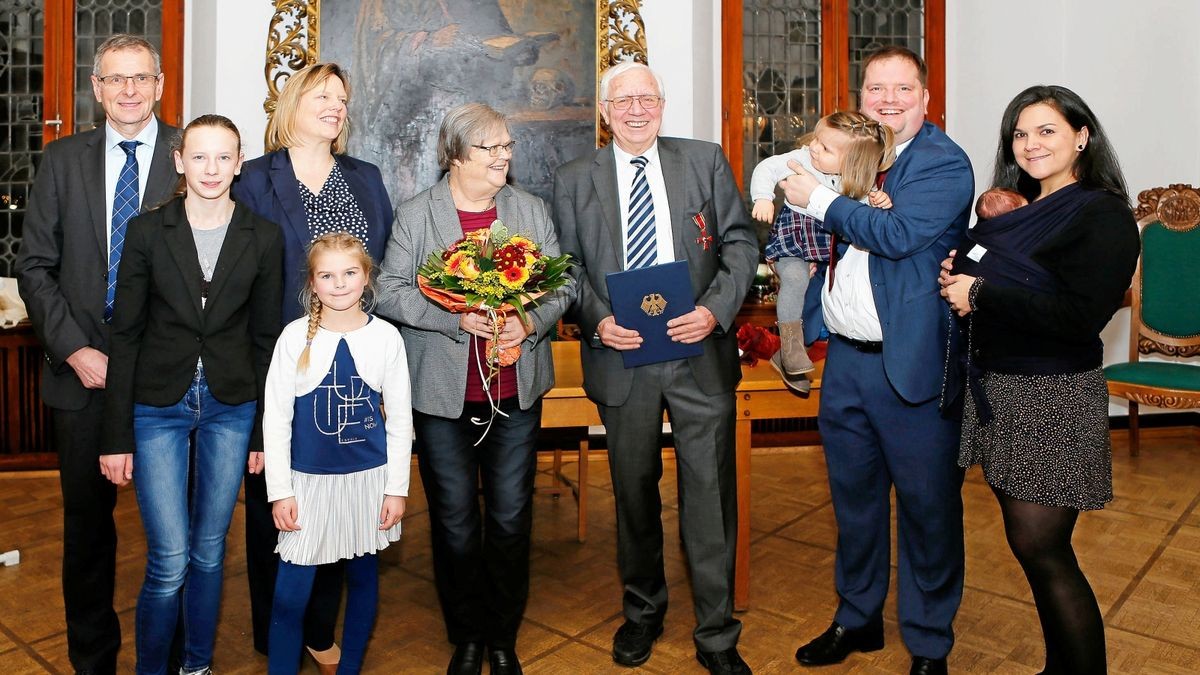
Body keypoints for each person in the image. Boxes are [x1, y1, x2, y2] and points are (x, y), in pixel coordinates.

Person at [552, 62, 758, 675]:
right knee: (634, 495)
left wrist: (714, 312)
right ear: (605, 112)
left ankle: (718, 634)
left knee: (711, 496)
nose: (636, 109)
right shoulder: (572, 178)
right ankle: (643, 611)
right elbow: (564, 266)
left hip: (699, 356)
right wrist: (595, 320)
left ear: (662, 105)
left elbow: (742, 243)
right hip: (623, 362)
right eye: (623, 100)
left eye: (647, 98)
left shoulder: (704, 160)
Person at [779, 46, 974, 675]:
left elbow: (894, 236)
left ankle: (928, 644)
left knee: (927, 510)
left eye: (902, 89)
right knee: (855, 505)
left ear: (925, 97)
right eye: (874, 89)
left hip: (911, 366)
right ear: (860, 98)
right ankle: (857, 619)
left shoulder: (942, 164)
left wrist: (818, 200)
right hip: (848, 366)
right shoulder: (848, 153)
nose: (888, 100)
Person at [939, 85, 1138, 674]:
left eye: (1047, 130)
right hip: (996, 390)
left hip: (1050, 396)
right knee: (1030, 547)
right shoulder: (1009, 208)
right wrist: (960, 274)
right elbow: (992, 282)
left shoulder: (1101, 214)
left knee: (1044, 549)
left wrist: (981, 292)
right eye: (1020, 134)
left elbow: (1078, 318)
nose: (1030, 144)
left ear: (1082, 136)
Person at [375, 102, 574, 675]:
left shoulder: (529, 211)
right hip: (442, 397)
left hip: (515, 392)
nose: (505, 157)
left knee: (511, 520)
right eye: (493, 148)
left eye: (508, 147)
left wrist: (528, 321)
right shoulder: (418, 215)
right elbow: (388, 291)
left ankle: (503, 638)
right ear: (457, 154)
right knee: (456, 522)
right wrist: (453, 317)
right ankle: (466, 635)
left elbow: (562, 286)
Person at [15, 33, 179, 675]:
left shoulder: (191, 156)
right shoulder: (61, 160)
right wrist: (77, 349)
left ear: (161, 85)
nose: (129, 90)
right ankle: (93, 661)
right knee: (88, 532)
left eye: (141, 78)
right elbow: (34, 267)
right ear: (97, 87)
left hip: (168, 380)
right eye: (116, 79)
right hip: (81, 376)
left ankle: (170, 657)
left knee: (179, 535)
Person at [100, 114, 282, 675]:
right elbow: (124, 335)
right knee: (170, 560)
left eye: (223, 157)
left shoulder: (264, 236)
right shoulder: (146, 232)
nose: (211, 169)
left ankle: (196, 667)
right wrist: (116, 435)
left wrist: (260, 433)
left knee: (208, 555)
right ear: (179, 162)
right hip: (158, 408)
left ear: (239, 164)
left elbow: (266, 340)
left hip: (233, 407)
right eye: (199, 156)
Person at [232, 62, 393, 672]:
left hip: (352, 371)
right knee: (278, 504)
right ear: (291, 103)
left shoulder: (366, 179)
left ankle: (320, 627)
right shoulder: (252, 181)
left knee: (340, 505)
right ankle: (274, 632)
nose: (335, 105)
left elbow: (378, 275)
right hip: (277, 367)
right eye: (322, 95)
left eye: (343, 98)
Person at [263, 233, 413, 674]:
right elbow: (275, 419)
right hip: (306, 485)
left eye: (349, 273)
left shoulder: (386, 337)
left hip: (369, 481)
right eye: (327, 275)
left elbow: (400, 421)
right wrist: (280, 491)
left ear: (366, 278)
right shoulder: (293, 338)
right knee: (289, 597)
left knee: (363, 581)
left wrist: (396, 489)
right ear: (313, 283)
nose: (339, 283)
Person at [749, 111, 895, 390]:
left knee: (817, 294)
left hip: (825, 244)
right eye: (817, 139)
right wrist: (764, 198)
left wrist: (879, 199)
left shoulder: (850, 181)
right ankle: (791, 348)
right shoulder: (802, 159)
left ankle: (790, 356)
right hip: (793, 237)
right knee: (795, 279)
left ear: (849, 162)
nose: (813, 147)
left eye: (825, 147)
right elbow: (767, 168)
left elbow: (862, 211)